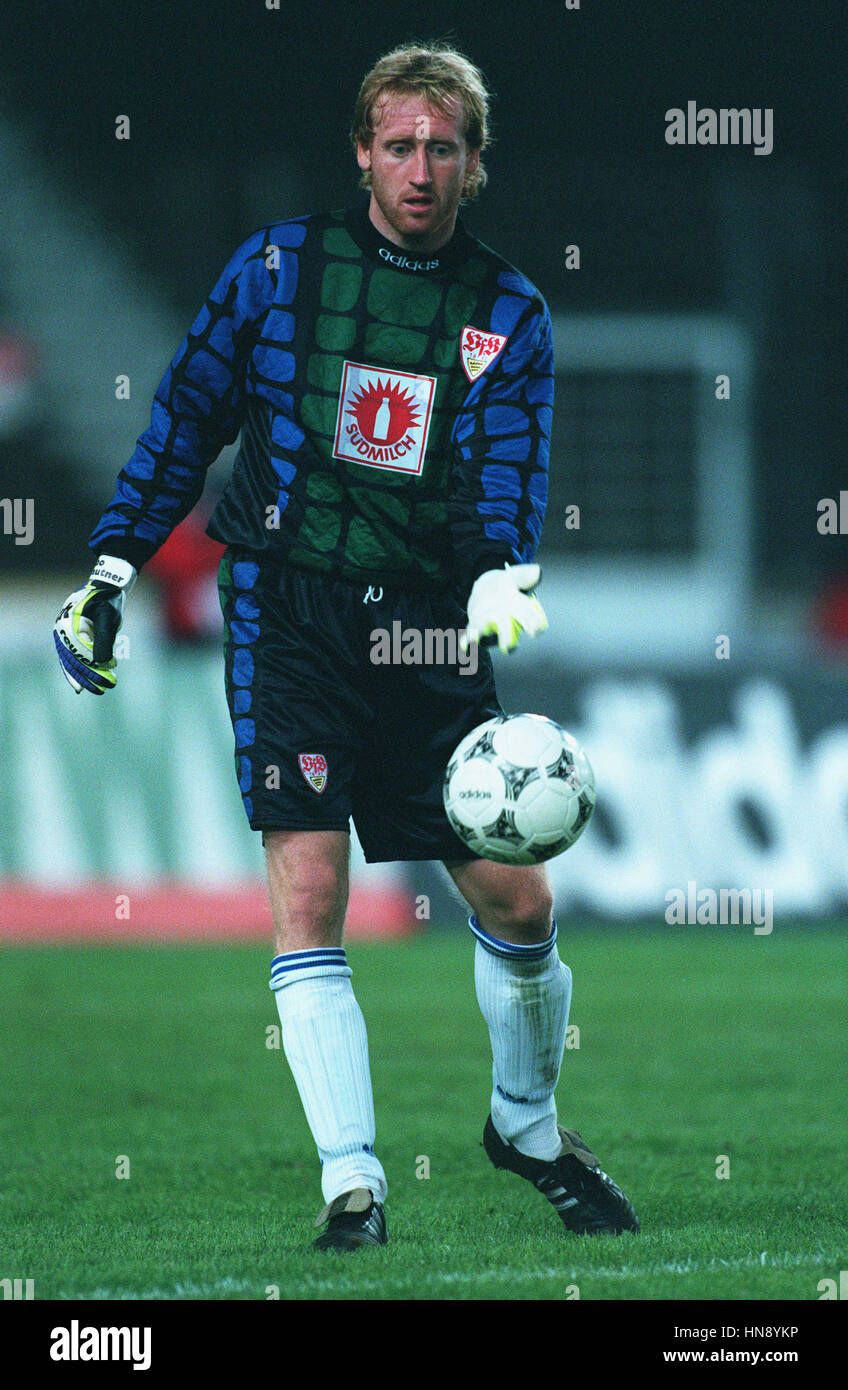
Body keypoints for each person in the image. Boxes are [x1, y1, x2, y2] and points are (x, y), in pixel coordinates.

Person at [53, 42, 638, 1250]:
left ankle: (523, 1121)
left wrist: (492, 573)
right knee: (309, 892)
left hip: (427, 619)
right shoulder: (276, 269)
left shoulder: (505, 311)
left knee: (518, 902)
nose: (419, 169)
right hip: (288, 608)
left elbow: (508, 474)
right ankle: (353, 1184)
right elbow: (183, 422)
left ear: (474, 164)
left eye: (443, 148)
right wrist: (111, 569)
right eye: (399, 145)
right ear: (362, 153)